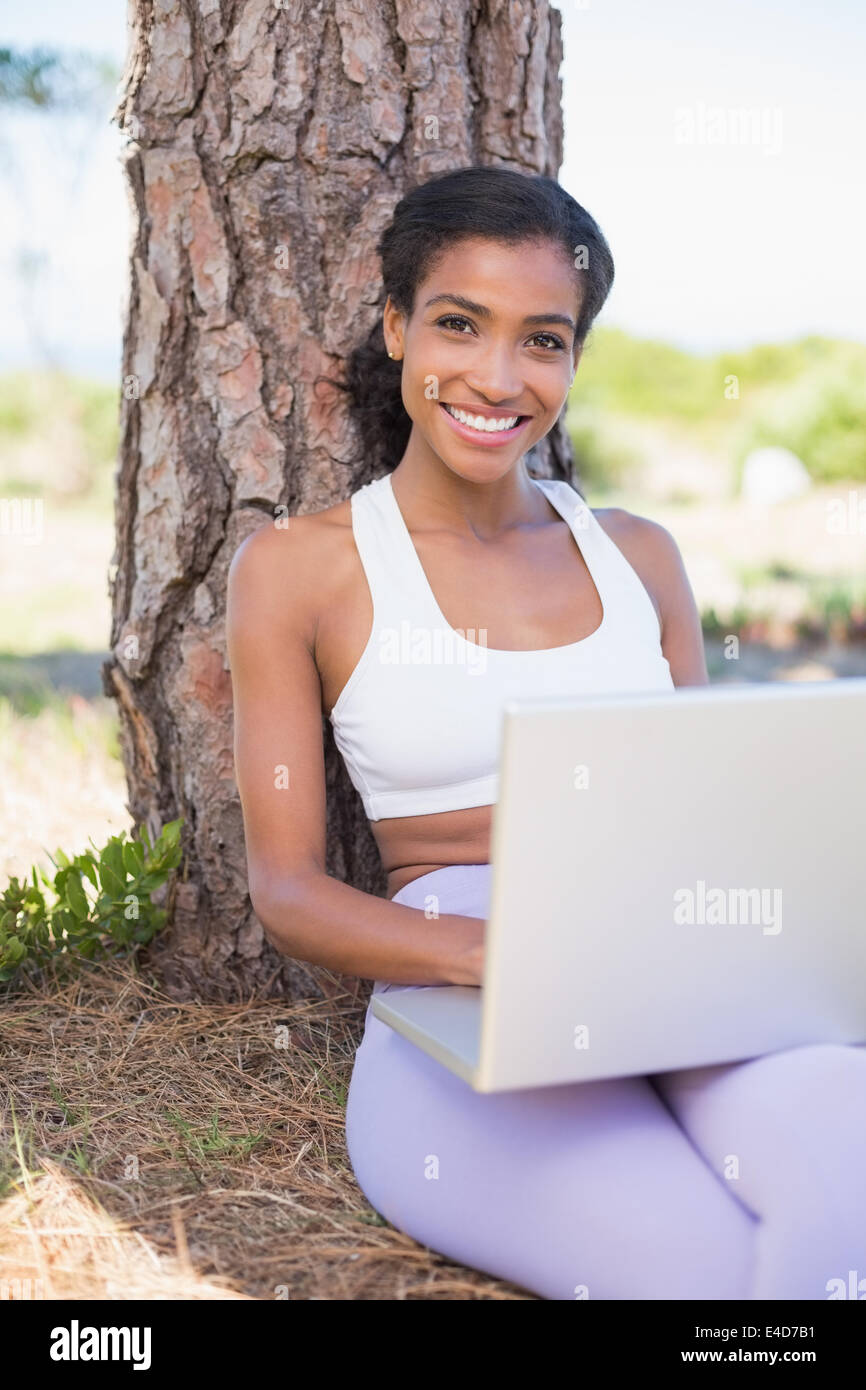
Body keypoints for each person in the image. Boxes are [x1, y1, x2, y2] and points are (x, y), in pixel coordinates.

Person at [226, 166, 866, 1300]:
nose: (496, 375)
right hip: (460, 991)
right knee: (702, 1274)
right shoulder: (300, 569)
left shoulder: (639, 554)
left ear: (572, 359)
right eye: (458, 325)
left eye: (543, 340)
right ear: (396, 327)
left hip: (678, 971)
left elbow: (714, 809)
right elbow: (287, 892)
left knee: (843, 1215)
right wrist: (505, 961)